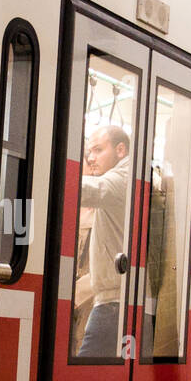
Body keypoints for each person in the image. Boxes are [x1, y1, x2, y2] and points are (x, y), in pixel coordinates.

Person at [76, 125, 131, 358]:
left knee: (81, 380)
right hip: (111, 300)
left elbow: (88, 190)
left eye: (98, 150)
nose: (91, 158)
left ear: (120, 150)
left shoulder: (123, 178)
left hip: (113, 304)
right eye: (89, 152)